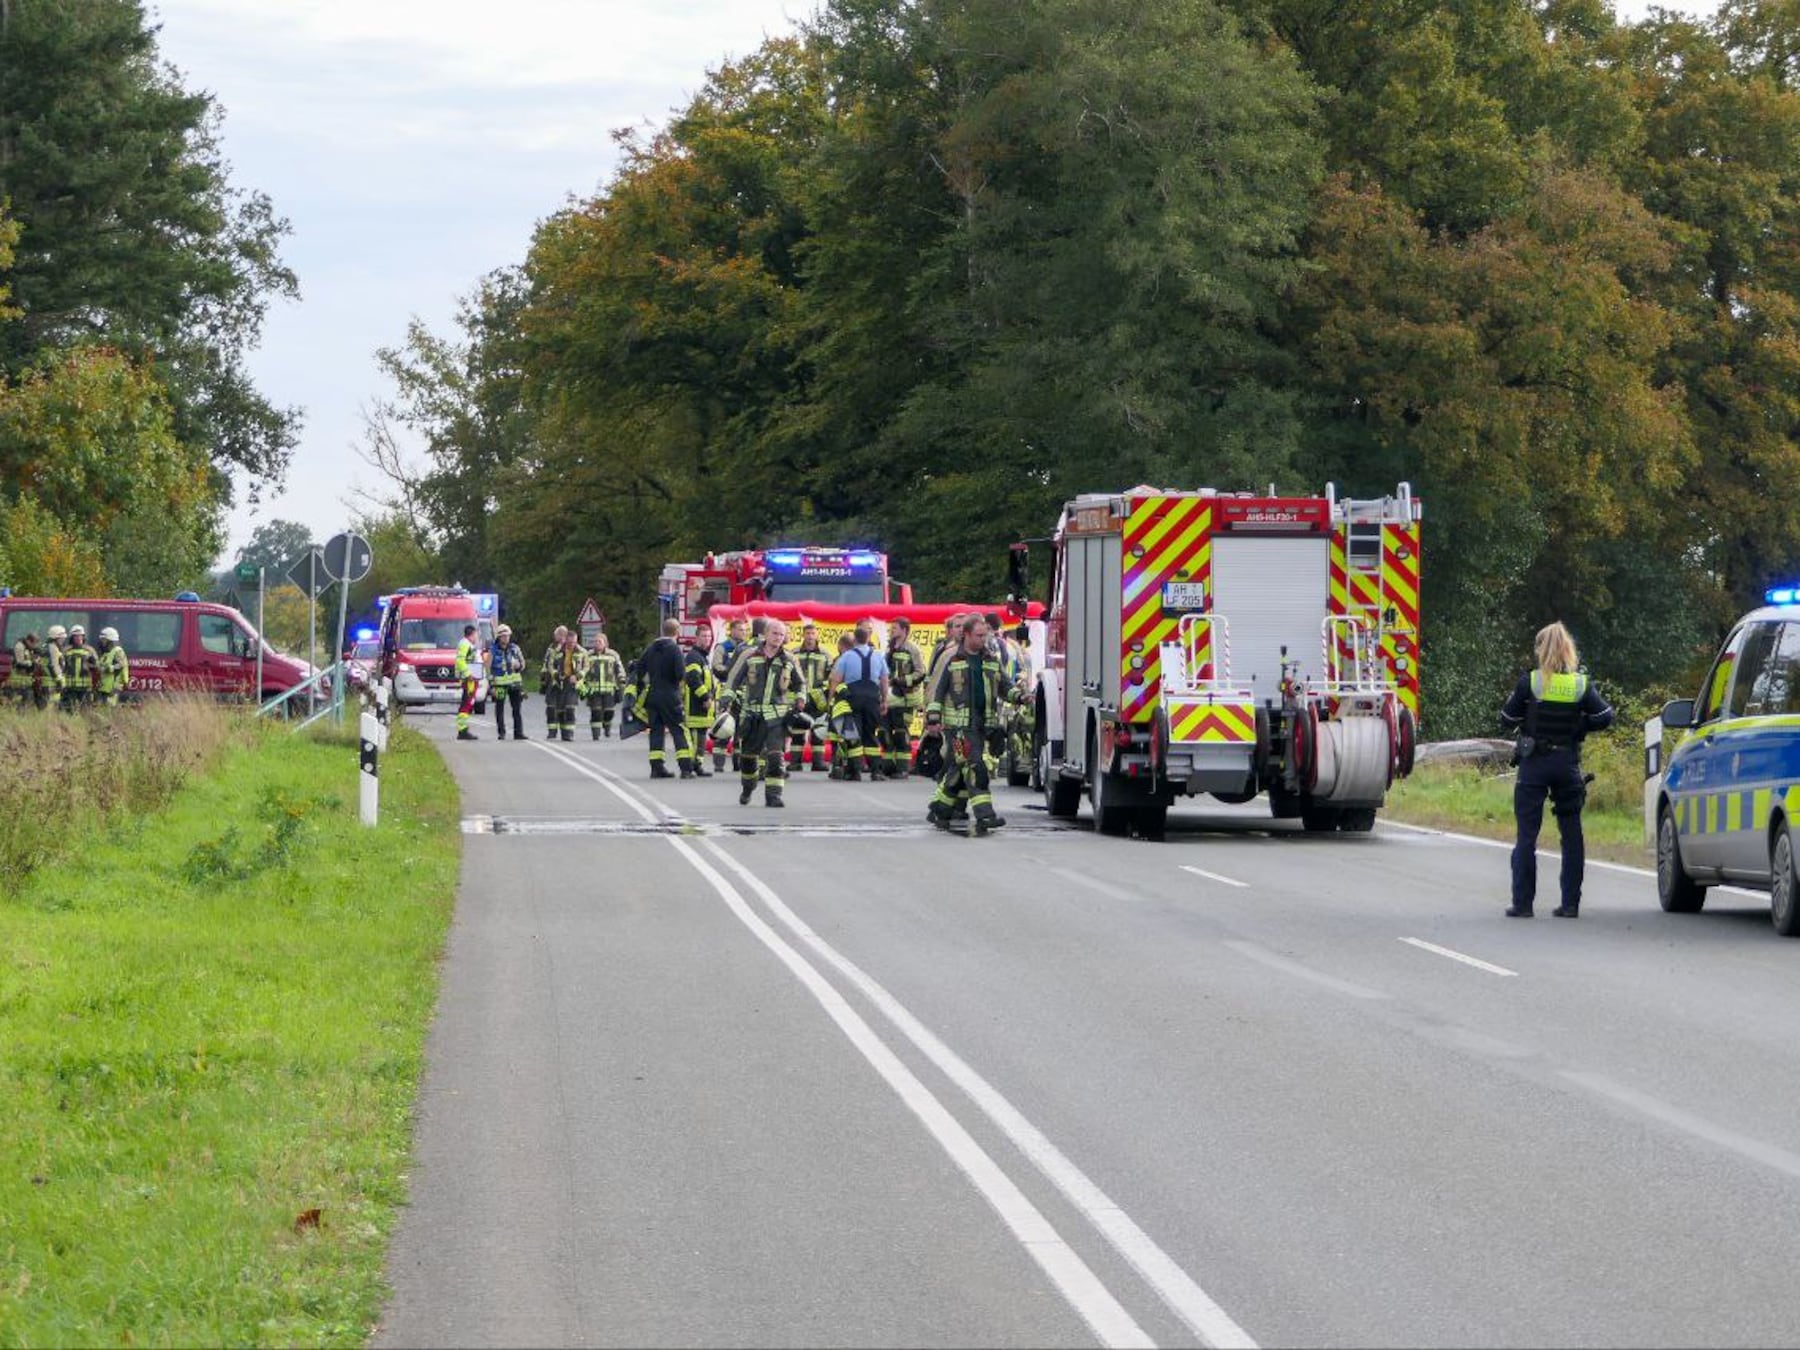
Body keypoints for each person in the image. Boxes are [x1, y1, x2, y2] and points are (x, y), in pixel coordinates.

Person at [1499, 621, 1615, 918]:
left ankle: (1523, 905)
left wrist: (1527, 715)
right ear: (1569, 650)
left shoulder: (1532, 682)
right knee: (1572, 834)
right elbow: (1605, 716)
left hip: (1534, 764)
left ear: (1541, 649)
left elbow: (1506, 719)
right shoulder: (1580, 684)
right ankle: (1570, 904)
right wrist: (1580, 725)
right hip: (1567, 764)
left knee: (1527, 835)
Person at [924, 614, 1022, 836]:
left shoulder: (990, 660)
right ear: (966, 635)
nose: (983, 640)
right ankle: (985, 815)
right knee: (976, 768)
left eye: (985, 635)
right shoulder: (953, 660)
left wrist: (1020, 697)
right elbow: (938, 691)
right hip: (958, 729)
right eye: (978, 635)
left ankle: (940, 809)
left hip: (982, 726)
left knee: (959, 770)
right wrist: (932, 718)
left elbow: (1005, 686)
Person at [726, 618, 806, 807]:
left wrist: (801, 699)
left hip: (777, 718)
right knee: (747, 758)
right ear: (766, 634)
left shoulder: (789, 659)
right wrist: (726, 701)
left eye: (782, 634)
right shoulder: (749, 655)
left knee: (775, 757)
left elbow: (801, 683)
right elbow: (732, 680)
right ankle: (748, 787)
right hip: (752, 717)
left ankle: (774, 796)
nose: (779, 637)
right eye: (775, 633)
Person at [832, 619, 890, 782]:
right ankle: (876, 771)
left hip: (853, 698)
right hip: (872, 698)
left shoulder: (846, 656)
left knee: (852, 734)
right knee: (871, 734)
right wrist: (884, 701)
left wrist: (831, 700)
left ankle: (854, 771)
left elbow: (835, 679)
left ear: (854, 640)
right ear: (868, 638)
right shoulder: (878, 656)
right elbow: (884, 680)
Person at [638, 618, 692, 779]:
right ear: (677, 632)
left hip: (653, 695)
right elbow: (680, 674)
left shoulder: (651, 648)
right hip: (670, 695)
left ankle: (656, 768)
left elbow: (639, 669)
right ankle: (686, 769)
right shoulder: (674, 649)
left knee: (656, 731)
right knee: (678, 730)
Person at [883, 617, 927, 778]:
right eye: (891, 628)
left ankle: (902, 769)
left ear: (904, 630)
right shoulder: (890, 648)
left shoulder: (912, 649)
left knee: (901, 732)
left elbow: (920, 673)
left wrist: (901, 681)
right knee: (884, 731)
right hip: (891, 696)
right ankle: (888, 766)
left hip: (908, 698)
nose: (891, 631)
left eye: (894, 628)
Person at [790, 622, 832, 771]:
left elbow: (831, 677)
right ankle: (795, 763)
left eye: (813, 634)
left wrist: (824, 693)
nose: (810, 637)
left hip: (818, 700)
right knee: (797, 731)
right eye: (807, 634)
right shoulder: (794, 653)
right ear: (803, 635)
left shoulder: (825, 655)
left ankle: (818, 762)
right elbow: (789, 675)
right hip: (799, 698)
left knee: (818, 730)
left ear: (817, 635)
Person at [682, 625, 719, 776]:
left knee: (701, 738)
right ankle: (691, 766)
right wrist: (705, 697)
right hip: (695, 705)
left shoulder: (703, 657)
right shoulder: (693, 657)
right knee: (696, 739)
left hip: (704, 707)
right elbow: (693, 680)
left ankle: (698, 765)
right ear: (696, 638)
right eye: (704, 636)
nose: (707, 639)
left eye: (709, 636)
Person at [541, 626, 583, 742]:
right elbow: (548, 664)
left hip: (570, 683)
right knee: (552, 708)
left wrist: (578, 677)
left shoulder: (578, 651)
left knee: (568, 708)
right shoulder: (553, 649)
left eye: (558, 635)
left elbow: (584, 665)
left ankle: (568, 733)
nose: (556, 638)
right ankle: (552, 732)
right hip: (554, 682)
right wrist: (545, 679)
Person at [582, 632, 627, 739]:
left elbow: (619, 668)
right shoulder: (588, 655)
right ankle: (596, 734)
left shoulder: (613, 655)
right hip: (593, 690)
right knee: (596, 711)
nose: (597, 643)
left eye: (599, 641)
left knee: (609, 711)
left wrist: (622, 680)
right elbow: (583, 670)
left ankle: (607, 727)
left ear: (605, 643)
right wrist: (582, 683)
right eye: (595, 641)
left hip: (609, 689)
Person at [488, 623, 528, 740]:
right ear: (499, 637)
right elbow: (487, 667)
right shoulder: (493, 650)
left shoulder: (515, 648)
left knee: (517, 709)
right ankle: (501, 732)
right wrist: (491, 685)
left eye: (508, 636)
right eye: (503, 636)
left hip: (515, 685)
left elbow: (523, 664)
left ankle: (518, 733)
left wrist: (519, 665)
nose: (506, 638)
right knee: (499, 709)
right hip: (499, 685)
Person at [454, 623, 482, 740]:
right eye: (476, 635)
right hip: (469, 679)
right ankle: (462, 731)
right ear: (472, 634)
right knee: (467, 703)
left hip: (471, 678)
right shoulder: (465, 644)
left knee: (468, 703)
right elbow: (460, 660)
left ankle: (463, 729)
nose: (477, 637)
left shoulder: (467, 644)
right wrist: (468, 674)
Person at [60, 624, 97, 712]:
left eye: (80, 636)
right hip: (70, 686)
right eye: (75, 636)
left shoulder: (90, 650)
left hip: (85, 686)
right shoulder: (66, 650)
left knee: (86, 711)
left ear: (83, 637)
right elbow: (61, 667)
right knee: (67, 710)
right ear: (72, 638)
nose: (78, 638)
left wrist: (90, 666)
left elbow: (96, 666)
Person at [7, 629, 43, 708]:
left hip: (25, 681)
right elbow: (20, 663)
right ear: (29, 641)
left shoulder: (28, 648)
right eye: (34, 644)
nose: (35, 646)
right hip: (18, 680)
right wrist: (32, 662)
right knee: (19, 700)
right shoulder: (19, 647)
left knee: (27, 699)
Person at [94, 627, 129, 707]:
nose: (102, 642)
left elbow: (121, 665)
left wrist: (109, 668)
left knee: (110, 709)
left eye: (104, 640)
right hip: (104, 687)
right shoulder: (105, 654)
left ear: (110, 641)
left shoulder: (118, 651)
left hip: (113, 687)